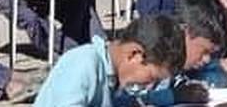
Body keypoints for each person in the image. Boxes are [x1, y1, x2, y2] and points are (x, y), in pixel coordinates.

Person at [33, 14, 187, 107]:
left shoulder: (112, 76)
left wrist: (172, 96)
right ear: (134, 55)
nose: (150, 85)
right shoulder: (84, 62)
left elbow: (129, 102)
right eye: (152, 78)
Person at [120, 0, 227, 106]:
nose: (206, 59)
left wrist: (197, 80)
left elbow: (220, 76)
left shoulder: (180, 66)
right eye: (204, 51)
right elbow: (124, 101)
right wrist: (172, 96)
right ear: (185, 33)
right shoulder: (152, 55)